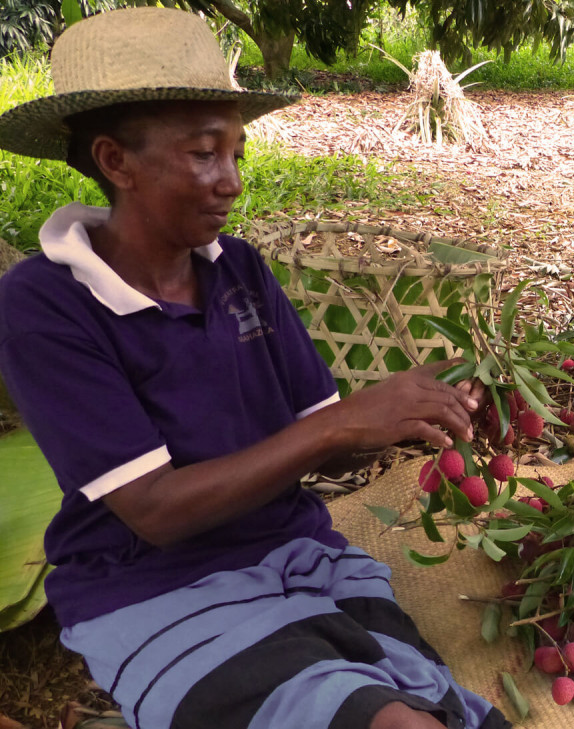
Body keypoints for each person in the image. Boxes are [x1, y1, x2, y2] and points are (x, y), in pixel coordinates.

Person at [0, 8, 511, 729]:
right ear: (116, 161)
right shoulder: (46, 303)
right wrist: (344, 422)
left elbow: (324, 426)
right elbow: (154, 510)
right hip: (152, 587)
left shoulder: (239, 270)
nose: (231, 181)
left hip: (299, 557)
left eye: (237, 152)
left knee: (436, 711)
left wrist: (432, 401)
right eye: (206, 153)